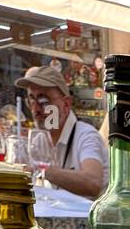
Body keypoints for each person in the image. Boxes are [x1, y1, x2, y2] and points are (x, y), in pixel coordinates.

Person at [13, 66, 108, 198]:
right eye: (32, 100)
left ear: (66, 104)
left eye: (43, 100)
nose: (36, 109)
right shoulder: (40, 139)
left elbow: (93, 182)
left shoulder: (85, 135)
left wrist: (41, 170)